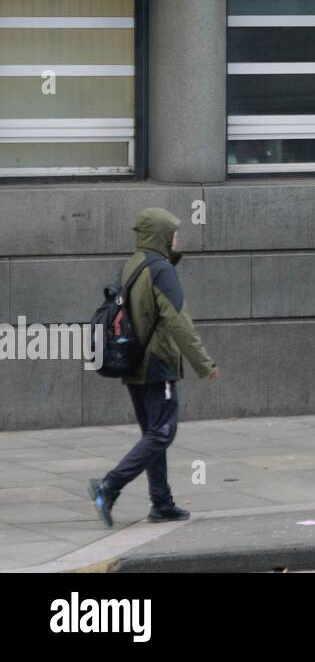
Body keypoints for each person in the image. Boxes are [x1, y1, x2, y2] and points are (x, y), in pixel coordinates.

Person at [88, 208, 219, 527]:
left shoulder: (132, 264)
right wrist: (204, 364)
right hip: (157, 362)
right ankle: (110, 485)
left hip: (131, 361)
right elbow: (177, 320)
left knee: (152, 433)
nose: (177, 238)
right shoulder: (160, 269)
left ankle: (161, 503)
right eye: (173, 233)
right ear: (160, 234)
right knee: (162, 432)